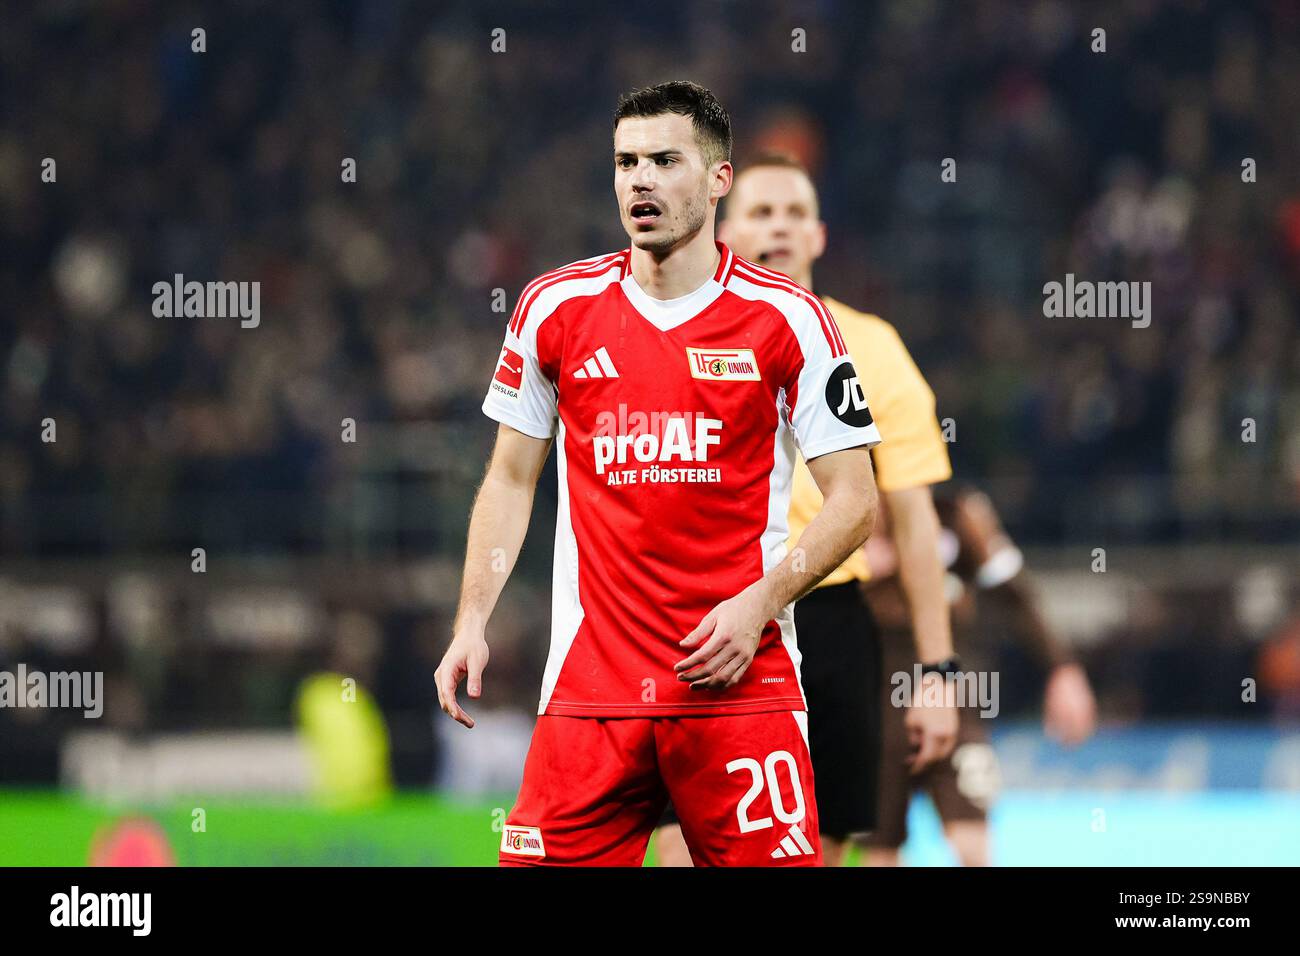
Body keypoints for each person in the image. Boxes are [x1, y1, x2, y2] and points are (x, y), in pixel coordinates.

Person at [435, 81, 883, 866]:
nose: (639, 180)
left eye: (665, 161)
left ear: (718, 181)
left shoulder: (788, 320)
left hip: (739, 690)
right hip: (590, 700)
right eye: (625, 162)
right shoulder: (554, 308)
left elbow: (856, 501)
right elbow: (509, 480)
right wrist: (472, 618)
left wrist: (759, 605)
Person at [654, 153, 959, 867]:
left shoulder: (874, 348)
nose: (780, 227)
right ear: (725, 230)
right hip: (708, 618)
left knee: (812, 855)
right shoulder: (674, 334)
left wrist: (939, 674)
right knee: (684, 845)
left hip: (830, 620)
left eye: (795, 214)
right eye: (762, 212)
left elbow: (915, 524)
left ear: (820, 236)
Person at [861, 483, 1097, 866]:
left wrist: (1063, 668)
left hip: (954, 702)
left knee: (974, 847)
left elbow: (1014, 596)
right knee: (877, 854)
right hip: (873, 710)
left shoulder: (960, 513)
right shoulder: (849, 502)